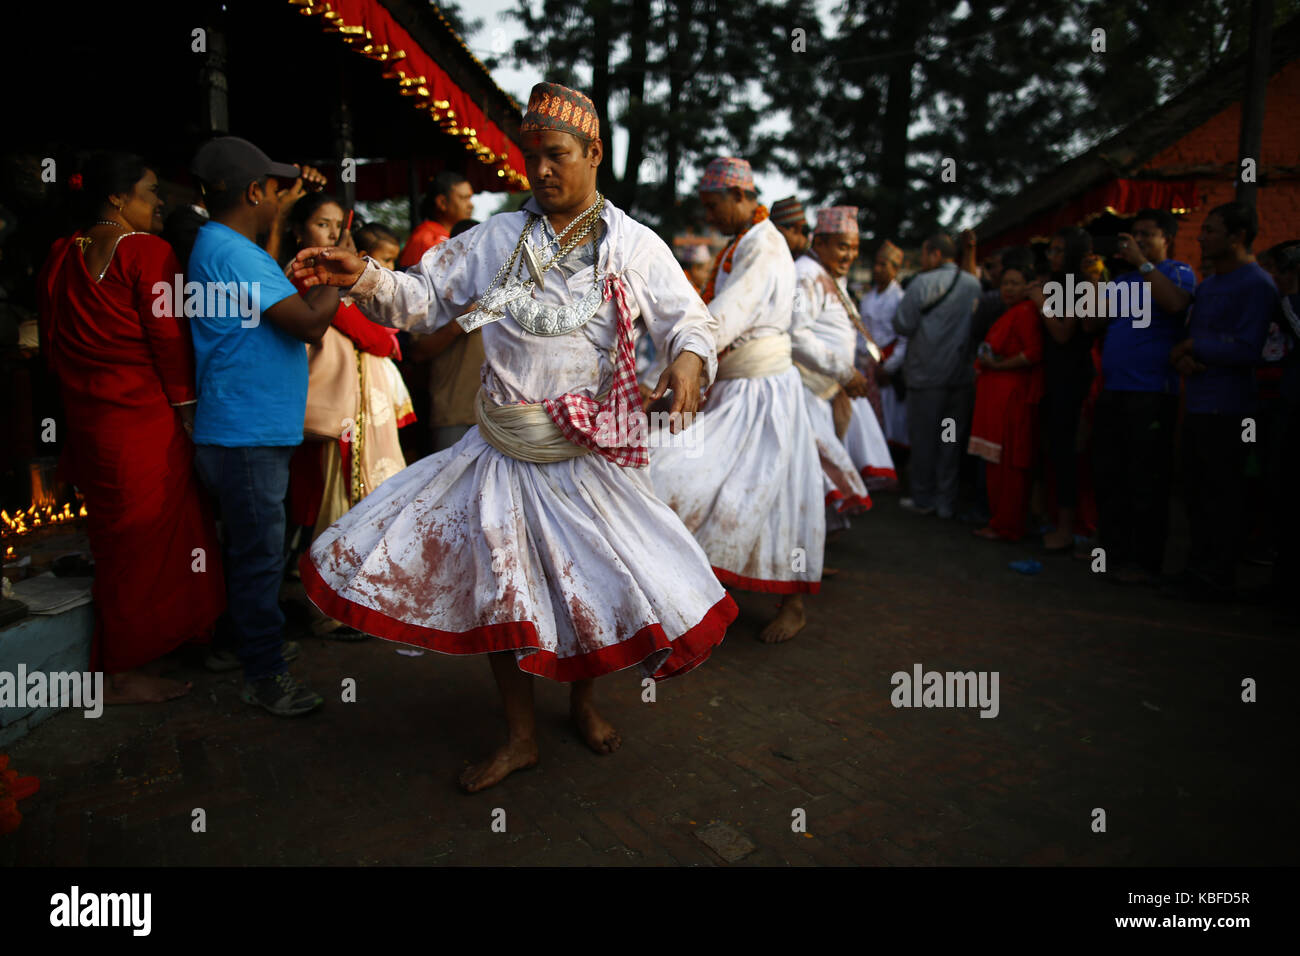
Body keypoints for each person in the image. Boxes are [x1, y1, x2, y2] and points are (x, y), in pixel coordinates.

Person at [292, 82, 736, 792]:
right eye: (533, 159)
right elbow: (421, 297)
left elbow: (690, 320)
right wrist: (367, 275)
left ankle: (583, 707)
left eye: (557, 156)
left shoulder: (635, 246)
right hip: (499, 454)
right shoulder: (496, 237)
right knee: (507, 599)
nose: (542, 172)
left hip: (589, 463)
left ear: (593, 153)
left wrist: (688, 358)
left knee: (591, 597)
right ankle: (521, 735)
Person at [37, 151, 225, 703]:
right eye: (148, 192)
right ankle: (120, 672)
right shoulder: (147, 250)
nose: (159, 202)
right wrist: (188, 408)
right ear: (117, 198)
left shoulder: (58, 255)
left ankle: (143, 652)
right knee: (147, 542)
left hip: (92, 422)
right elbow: (168, 340)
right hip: (144, 422)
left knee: (121, 543)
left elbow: (51, 342)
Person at [651, 158, 836, 644]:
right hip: (737, 386)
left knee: (740, 489)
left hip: (763, 392)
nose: (709, 217)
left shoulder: (765, 245)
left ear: (739, 196)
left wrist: (673, 364)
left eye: (713, 207)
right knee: (728, 491)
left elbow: (725, 316)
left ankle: (790, 604)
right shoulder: (744, 243)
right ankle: (698, 593)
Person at [187, 136, 342, 716]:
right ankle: (264, 673)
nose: (281, 198)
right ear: (255, 191)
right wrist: (334, 272)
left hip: (247, 427)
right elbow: (306, 325)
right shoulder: (231, 251)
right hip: (245, 432)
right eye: (277, 189)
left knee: (253, 552)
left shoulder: (226, 246)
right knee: (258, 556)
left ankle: (243, 644)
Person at [284, 194, 415, 640]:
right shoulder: (305, 279)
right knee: (335, 508)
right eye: (322, 224)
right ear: (299, 230)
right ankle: (330, 608)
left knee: (352, 504)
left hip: (349, 411)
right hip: (334, 414)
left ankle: (351, 603)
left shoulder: (333, 281)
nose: (332, 235)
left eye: (339, 226)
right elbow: (377, 339)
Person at [1166, 202, 1279, 601]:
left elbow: (1251, 349)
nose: (1201, 237)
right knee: (1194, 493)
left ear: (1237, 237)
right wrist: (1182, 357)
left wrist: (1197, 346)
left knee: (1223, 496)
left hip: (1232, 411)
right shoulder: (1209, 284)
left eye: (1211, 230)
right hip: (1196, 404)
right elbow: (1188, 337)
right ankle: (1196, 570)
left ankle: (1218, 577)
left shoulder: (1257, 285)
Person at [1084, 210, 1197, 584]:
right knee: (1109, 476)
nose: (1137, 241)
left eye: (1147, 235)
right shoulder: (1123, 280)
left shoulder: (1177, 272)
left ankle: (1145, 563)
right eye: (1133, 235)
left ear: (1167, 238)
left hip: (1151, 392)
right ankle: (1114, 555)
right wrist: (1093, 282)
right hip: (1114, 391)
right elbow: (1092, 324)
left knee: (1146, 479)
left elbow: (1176, 305)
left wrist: (1144, 263)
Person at [793, 207, 892, 495]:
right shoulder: (806, 275)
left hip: (830, 389)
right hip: (810, 392)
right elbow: (796, 335)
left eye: (854, 249)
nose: (849, 256)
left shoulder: (828, 274)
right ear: (820, 243)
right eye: (843, 247)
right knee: (816, 478)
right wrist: (844, 371)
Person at [892, 232, 982, 518]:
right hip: (959, 379)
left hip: (926, 378)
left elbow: (903, 325)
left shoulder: (921, 283)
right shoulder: (973, 284)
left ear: (935, 254)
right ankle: (946, 501)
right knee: (950, 440)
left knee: (924, 441)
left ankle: (923, 497)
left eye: (923, 253)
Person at [968, 258, 1044, 540]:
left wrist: (1000, 366)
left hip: (1011, 398)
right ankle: (1000, 520)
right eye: (1005, 283)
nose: (1008, 289)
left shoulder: (1025, 313)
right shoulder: (1012, 312)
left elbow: (1034, 352)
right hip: (997, 395)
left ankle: (1007, 524)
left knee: (1008, 465)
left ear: (1028, 286)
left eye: (1015, 283)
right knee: (996, 464)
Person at [860, 239, 907, 452]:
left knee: (893, 415)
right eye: (876, 264)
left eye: (883, 265)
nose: (877, 269)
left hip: (891, 363)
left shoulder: (900, 299)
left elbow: (905, 338)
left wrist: (890, 366)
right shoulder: (868, 298)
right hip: (869, 362)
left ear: (895, 269)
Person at [399, 171, 474, 268]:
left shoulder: (447, 236)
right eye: (464, 198)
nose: (470, 205)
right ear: (442, 202)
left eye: (470, 198)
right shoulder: (425, 239)